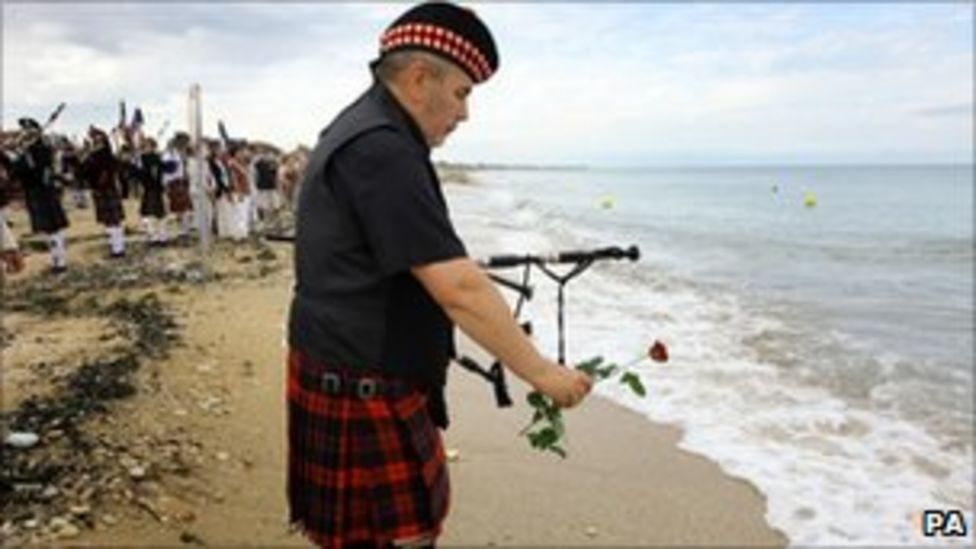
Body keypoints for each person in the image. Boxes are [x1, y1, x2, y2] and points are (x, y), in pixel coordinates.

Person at [287, 3, 592, 547]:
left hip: (345, 361)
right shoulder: (382, 148)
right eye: (462, 93)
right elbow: (460, 287)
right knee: (404, 537)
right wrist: (542, 373)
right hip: (363, 382)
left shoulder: (363, 128)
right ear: (419, 78)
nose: (464, 114)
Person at [8, 118, 70, 272]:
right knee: (49, 229)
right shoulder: (29, 150)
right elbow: (15, 173)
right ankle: (57, 260)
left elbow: (30, 169)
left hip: (43, 190)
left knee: (54, 227)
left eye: (27, 131)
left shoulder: (41, 149)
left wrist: (20, 153)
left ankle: (60, 261)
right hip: (36, 191)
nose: (24, 134)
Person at [81, 126, 127, 258]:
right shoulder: (92, 156)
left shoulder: (107, 156)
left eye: (98, 139)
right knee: (108, 221)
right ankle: (115, 247)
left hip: (108, 189)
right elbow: (83, 172)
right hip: (99, 191)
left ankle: (119, 249)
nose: (96, 142)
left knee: (114, 220)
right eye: (94, 139)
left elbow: (115, 168)